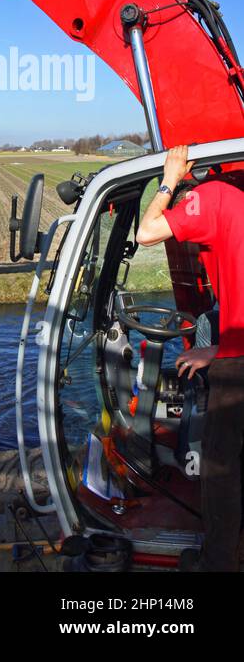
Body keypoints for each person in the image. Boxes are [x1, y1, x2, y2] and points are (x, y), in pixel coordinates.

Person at [136, 144, 244, 571]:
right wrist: (220, 347)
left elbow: (146, 232)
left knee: (220, 470)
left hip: (239, 369)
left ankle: (218, 563)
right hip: (235, 351)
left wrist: (170, 178)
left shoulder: (215, 198)